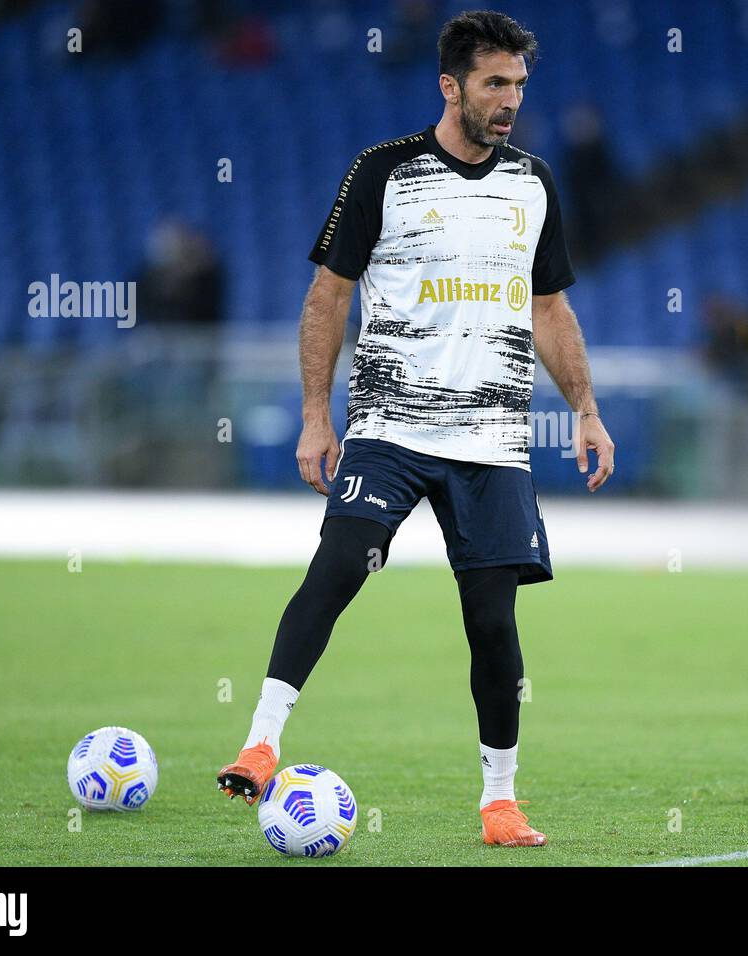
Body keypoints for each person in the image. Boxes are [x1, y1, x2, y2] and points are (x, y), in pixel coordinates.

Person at [216, 10, 615, 848]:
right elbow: (328, 298)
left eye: (518, 85)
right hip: (390, 429)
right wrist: (316, 417)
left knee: (492, 622)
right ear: (450, 85)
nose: (509, 101)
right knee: (335, 570)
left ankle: (499, 804)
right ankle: (259, 744)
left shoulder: (533, 183)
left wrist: (584, 406)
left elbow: (550, 308)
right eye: (493, 84)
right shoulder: (382, 172)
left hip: (492, 443)